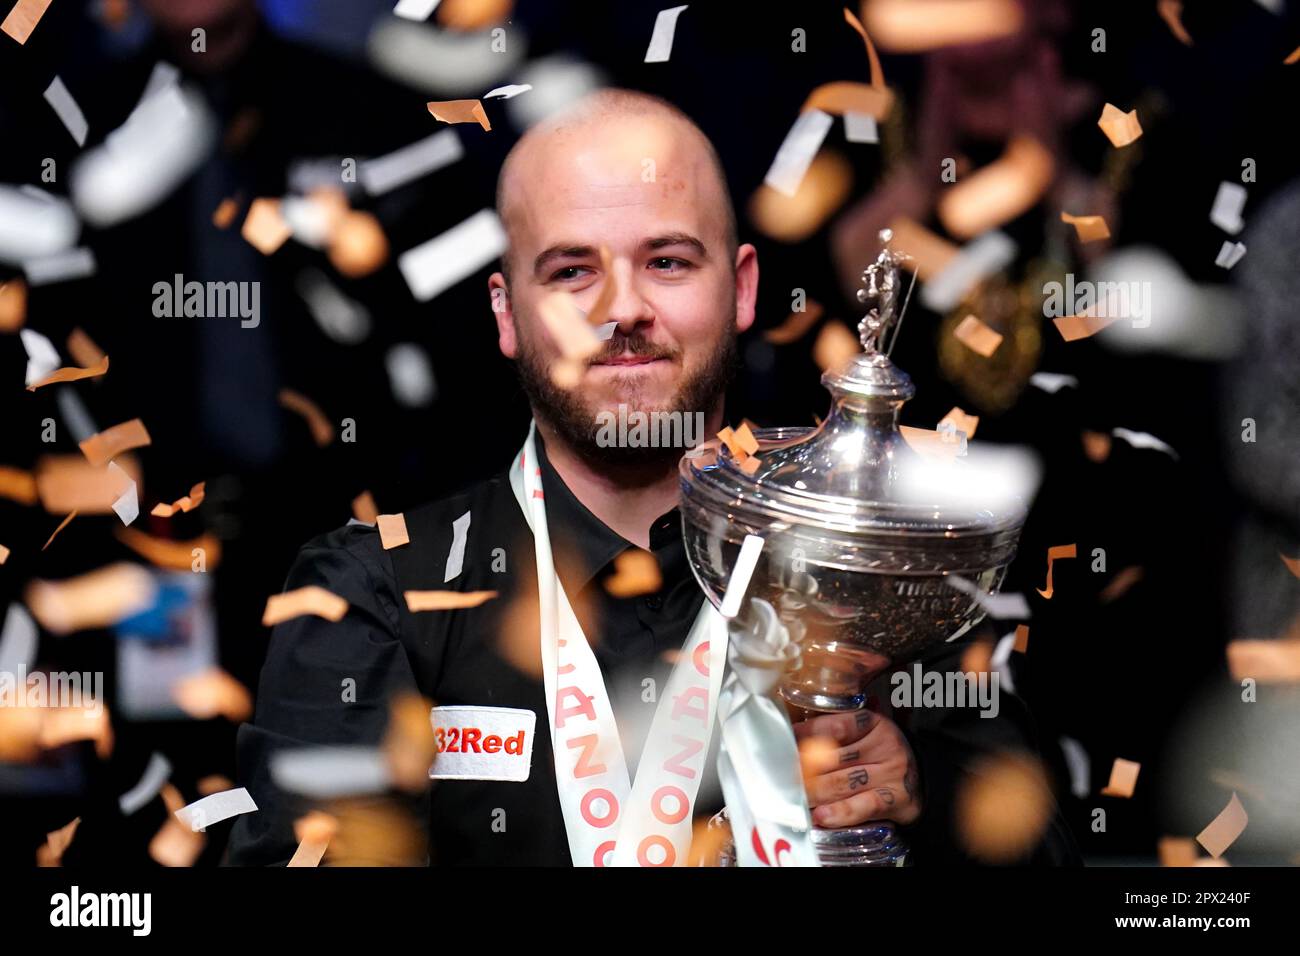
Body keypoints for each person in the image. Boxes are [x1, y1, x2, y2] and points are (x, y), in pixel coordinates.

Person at [227, 88, 1079, 866]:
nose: (623, 310)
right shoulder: (374, 594)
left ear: (742, 290)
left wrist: (919, 792)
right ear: (506, 315)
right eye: (571, 272)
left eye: (667, 262)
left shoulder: (886, 572)